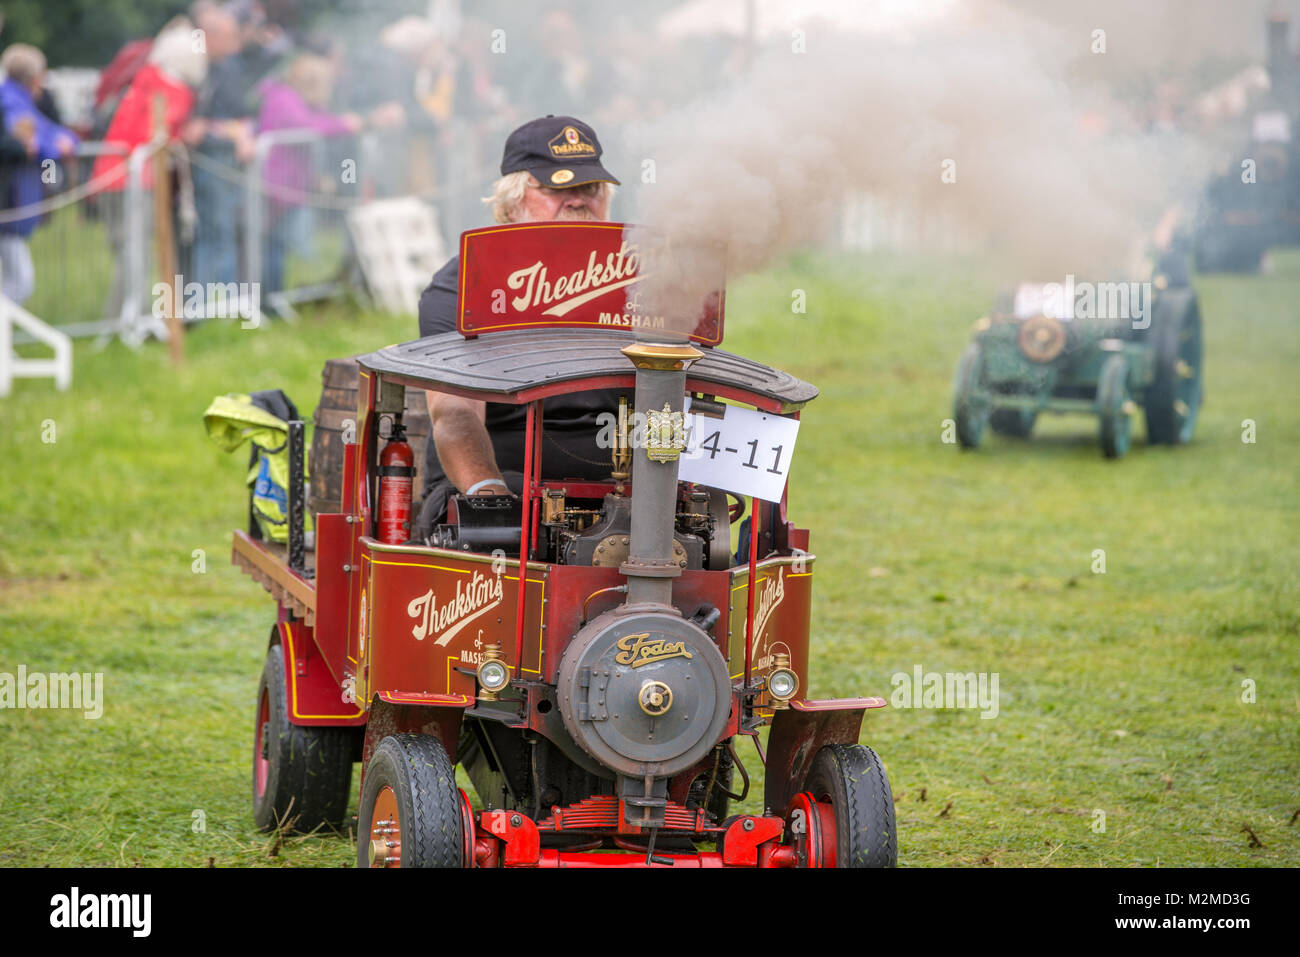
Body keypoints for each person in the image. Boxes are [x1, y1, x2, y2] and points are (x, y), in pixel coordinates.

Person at [414, 115, 623, 538]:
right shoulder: (462, 289)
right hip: (499, 486)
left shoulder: (638, 283)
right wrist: (487, 494)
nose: (579, 201)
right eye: (557, 189)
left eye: (590, 188)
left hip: (624, 489)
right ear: (511, 203)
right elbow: (454, 413)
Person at [0, 43, 78, 305]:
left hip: (12, 206)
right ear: (35, 78)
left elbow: (46, 132)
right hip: (8, 207)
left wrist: (66, 141)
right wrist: (56, 145)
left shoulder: (16, 100)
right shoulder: (10, 102)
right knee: (21, 282)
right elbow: (32, 139)